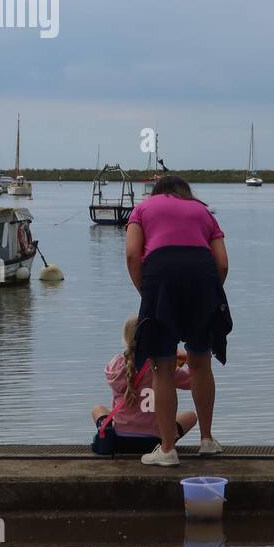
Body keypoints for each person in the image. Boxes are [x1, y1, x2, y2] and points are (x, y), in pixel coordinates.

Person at [125, 175, 232, 466]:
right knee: (200, 361)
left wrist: (146, 292)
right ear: (186, 192)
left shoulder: (143, 209)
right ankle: (207, 440)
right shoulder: (203, 212)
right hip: (203, 275)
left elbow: (133, 254)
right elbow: (222, 263)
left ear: (158, 192)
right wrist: (210, 292)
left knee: (163, 367)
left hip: (161, 276)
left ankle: (168, 448)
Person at [91, 315, 198, 456]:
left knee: (98, 409)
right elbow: (192, 382)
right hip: (155, 442)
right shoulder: (162, 367)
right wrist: (188, 360)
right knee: (191, 416)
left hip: (120, 440)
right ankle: (167, 441)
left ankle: (105, 430)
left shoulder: (116, 364)